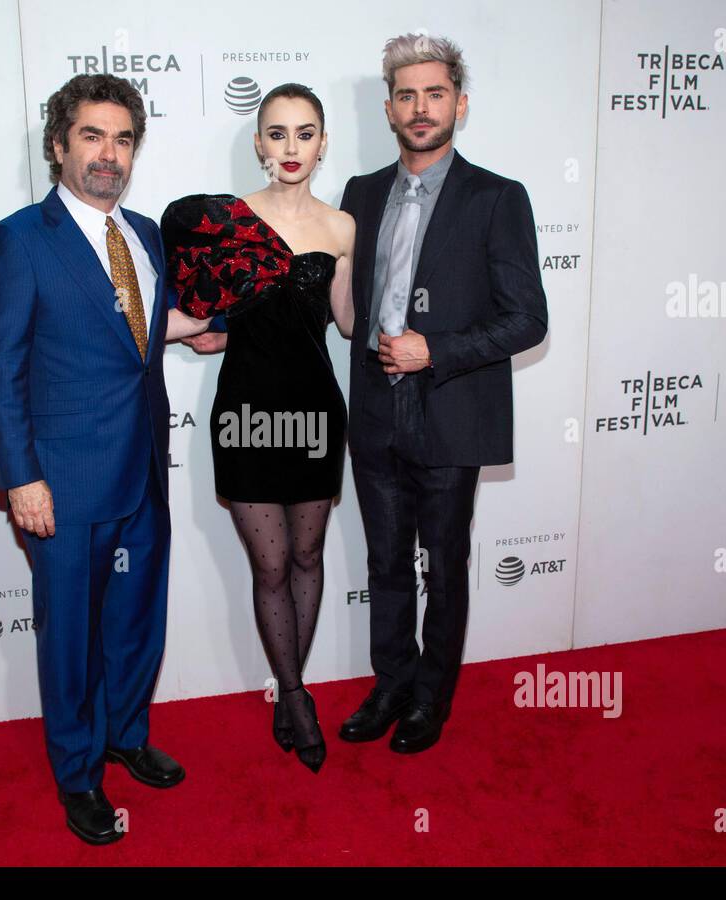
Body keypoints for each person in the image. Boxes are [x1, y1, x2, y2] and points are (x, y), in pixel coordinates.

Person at [0, 73, 210, 845]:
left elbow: (129, 334)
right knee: (71, 636)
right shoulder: (16, 240)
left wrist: (193, 328)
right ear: (58, 145)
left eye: (123, 139)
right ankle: (77, 775)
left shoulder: (144, 233)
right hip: (64, 483)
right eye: (92, 136)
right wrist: (20, 477)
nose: (110, 154)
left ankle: (126, 735)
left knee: (137, 618)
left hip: (143, 467)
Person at [336, 34, 548, 753]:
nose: (420, 108)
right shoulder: (361, 194)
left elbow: (527, 318)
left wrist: (437, 350)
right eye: (407, 95)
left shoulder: (496, 197)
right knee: (385, 561)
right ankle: (391, 683)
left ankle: (432, 697)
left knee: (444, 564)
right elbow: (350, 303)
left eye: (435, 93)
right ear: (389, 109)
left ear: (459, 103)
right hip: (375, 408)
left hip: (450, 409)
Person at [163, 84, 355, 773]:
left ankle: (288, 690)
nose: (291, 147)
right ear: (258, 144)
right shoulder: (227, 222)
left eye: (305, 133)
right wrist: (138, 328)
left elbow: (346, 322)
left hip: (314, 412)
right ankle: (297, 696)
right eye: (277, 133)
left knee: (308, 557)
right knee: (270, 565)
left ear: (323, 143)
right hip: (246, 412)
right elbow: (196, 310)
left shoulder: (341, 228)